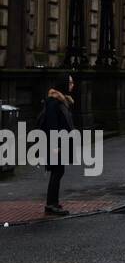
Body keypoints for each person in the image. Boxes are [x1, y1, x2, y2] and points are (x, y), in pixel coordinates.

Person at [40, 75, 77, 216]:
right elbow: (52, 125)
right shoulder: (53, 102)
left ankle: (53, 202)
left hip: (60, 143)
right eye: (70, 82)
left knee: (58, 171)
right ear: (63, 84)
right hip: (54, 144)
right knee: (57, 171)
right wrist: (55, 146)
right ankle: (51, 204)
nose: (72, 85)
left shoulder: (62, 101)